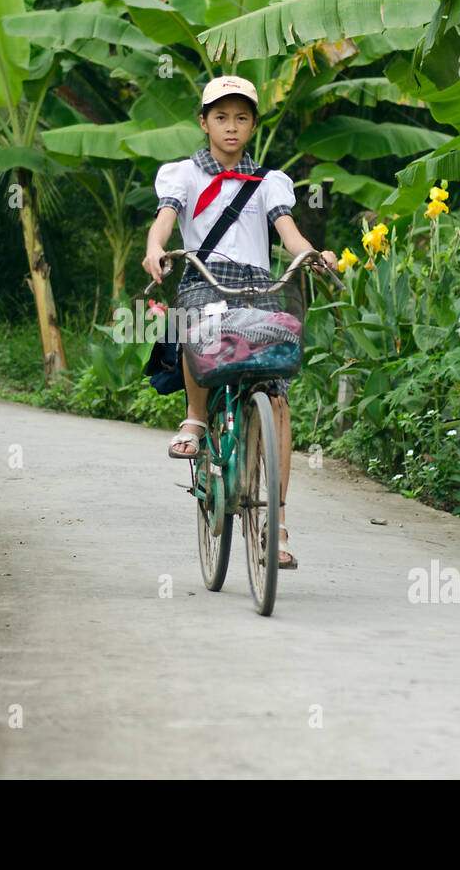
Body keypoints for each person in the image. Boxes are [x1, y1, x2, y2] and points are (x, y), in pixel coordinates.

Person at [141, 75, 337, 569]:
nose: (232, 127)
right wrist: (154, 249)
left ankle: (278, 522)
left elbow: (288, 232)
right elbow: (165, 219)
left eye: (242, 117)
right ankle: (197, 417)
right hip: (204, 278)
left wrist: (313, 255)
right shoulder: (183, 174)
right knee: (194, 325)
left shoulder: (269, 181)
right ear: (204, 122)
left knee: (276, 394)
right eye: (221, 117)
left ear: (252, 124)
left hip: (259, 287)